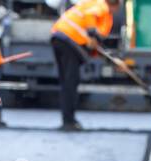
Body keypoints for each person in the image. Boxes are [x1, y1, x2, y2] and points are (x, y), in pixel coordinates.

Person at [50, 0, 121, 132]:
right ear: (116, 5)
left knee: (67, 82)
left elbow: (94, 46)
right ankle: (68, 121)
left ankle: (68, 119)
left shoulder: (95, 6)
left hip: (58, 37)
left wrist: (109, 58)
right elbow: (90, 18)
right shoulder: (101, 6)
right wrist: (92, 33)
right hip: (68, 39)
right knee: (71, 82)